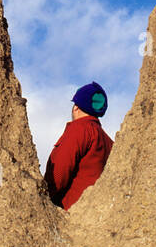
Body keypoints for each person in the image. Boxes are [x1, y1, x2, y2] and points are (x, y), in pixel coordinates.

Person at [44, 82, 113, 210]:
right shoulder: (110, 143)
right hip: (98, 215)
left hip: (71, 214)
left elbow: (59, 173)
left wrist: (42, 199)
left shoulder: (79, 129)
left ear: (76, 107)